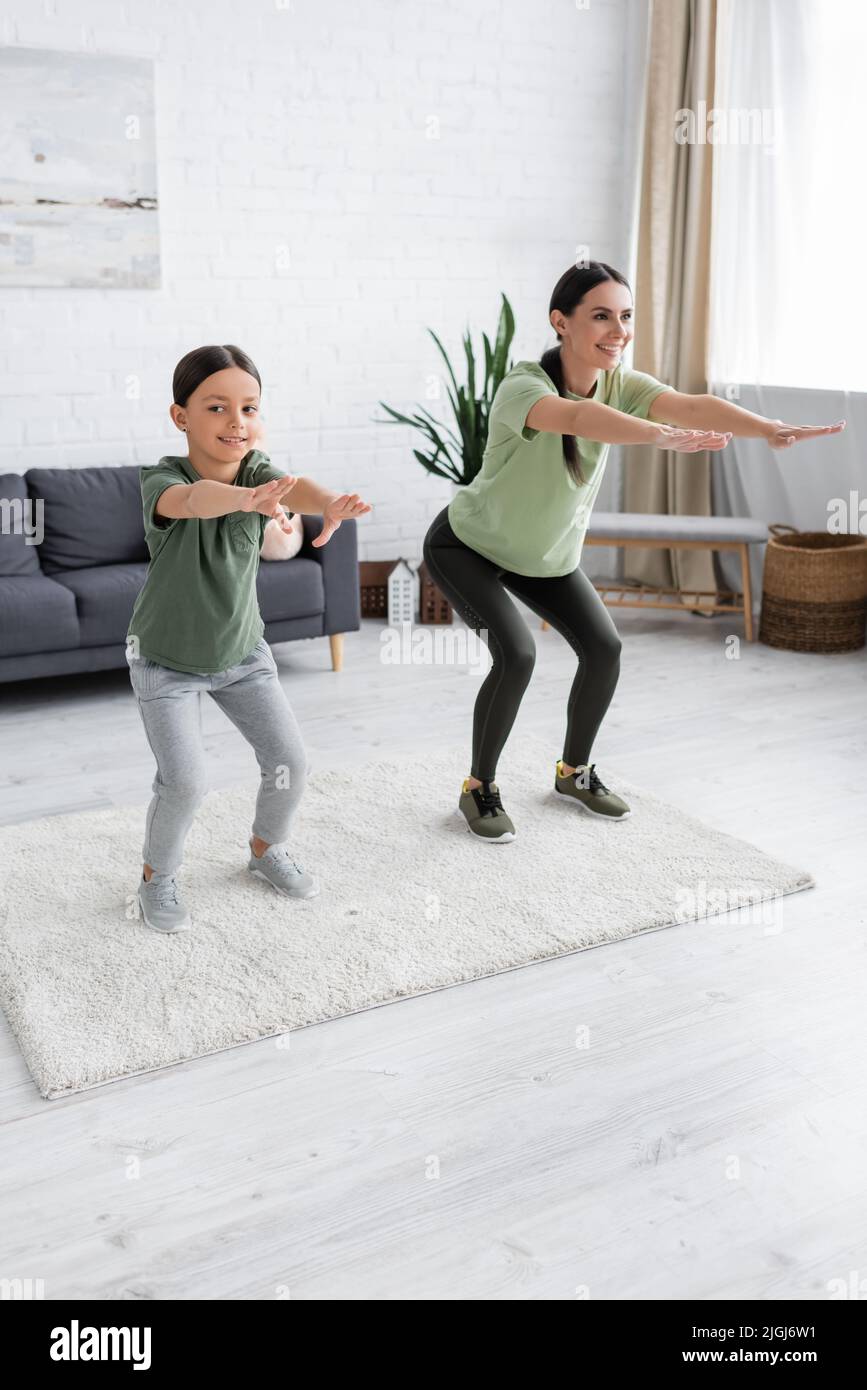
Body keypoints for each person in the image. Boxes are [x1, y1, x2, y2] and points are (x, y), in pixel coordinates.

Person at [422, 261, 846, 843]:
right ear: (560, 322)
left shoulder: (622, 383)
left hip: (545, 556)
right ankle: (479, 789)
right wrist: (656, 435)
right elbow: (578, 417)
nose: (618, 330)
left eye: (625, 316)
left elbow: (691, 406)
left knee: (604, 648)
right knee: (516, 655)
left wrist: (769, 427)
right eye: (601, 316)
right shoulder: (524, 386)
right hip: (467, 544)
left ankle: (573, 774)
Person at [125, 343, 370, 931]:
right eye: (217, 407)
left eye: (249, 408)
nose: (236, 421)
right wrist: (248, 501)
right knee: (186, 782)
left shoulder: (259, 470)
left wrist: (328, 502)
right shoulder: (161, 479)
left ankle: (266, 849)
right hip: (164, 659)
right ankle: (157, 878)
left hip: (242, 654)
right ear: (181, 416)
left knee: (289, 761)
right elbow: (193, 501)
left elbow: (294, 486)